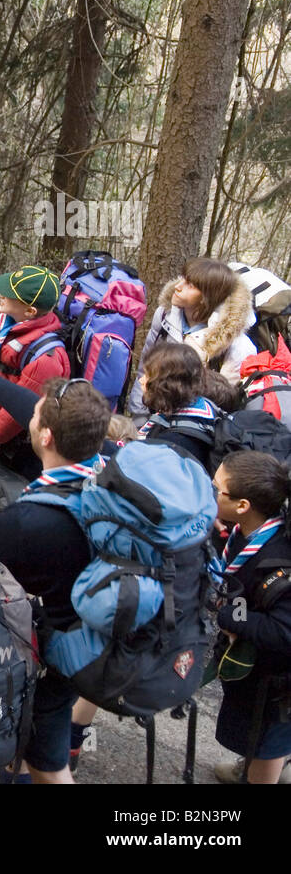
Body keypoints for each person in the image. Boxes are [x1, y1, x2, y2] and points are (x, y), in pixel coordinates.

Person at [0, 376, 112, 783]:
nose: (29, 413)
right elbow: (41, 410)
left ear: (46, 436)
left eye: (35, 415)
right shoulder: (109, 464)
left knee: (43, 755)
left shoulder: (32, 521)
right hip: (112, 624)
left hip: (71, 649)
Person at [209, 451, 291, 784]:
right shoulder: (250, 530)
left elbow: (283, 631)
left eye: (216, 489)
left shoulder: (280, 562)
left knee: (268, 740)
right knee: (258, 737)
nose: (209, 493)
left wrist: (227, 616)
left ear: (243, 505)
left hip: (279, 681)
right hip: (258, 671)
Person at [0, 265, 69, 479]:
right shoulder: (1, 328)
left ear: (30, 311)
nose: (1, 295)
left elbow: (19, 408)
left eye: (10, 295)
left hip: (21, 444)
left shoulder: (46, 358)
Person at [126, 257, 255, 422]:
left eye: (190, 285)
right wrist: (140, 416)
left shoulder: (235, 344)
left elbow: (227, 401)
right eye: (183, 278)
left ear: (207, 296)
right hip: (153, 412)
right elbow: (146, 368)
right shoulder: (165, 315)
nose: (178, 287)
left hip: (197, 423)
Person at [136, 342, 222, 471]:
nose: (141, 380)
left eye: (148, 375)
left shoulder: (176, 441)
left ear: (165, 384)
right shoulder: (204, 406)